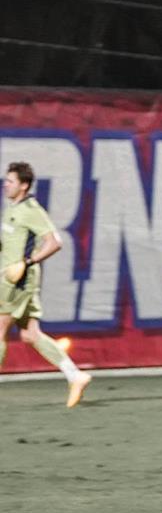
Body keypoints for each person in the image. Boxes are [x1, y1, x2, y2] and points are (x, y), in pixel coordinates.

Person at [1, 162, 91, 408]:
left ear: (24, 185)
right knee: (31, 334)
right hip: (11, 279)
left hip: (17, 281)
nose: (5, 184)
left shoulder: (31, 210)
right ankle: (75, 375)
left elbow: (54, 242)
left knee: (0, 328)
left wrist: (27, 262)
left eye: (10, 181)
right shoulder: (13, 207)